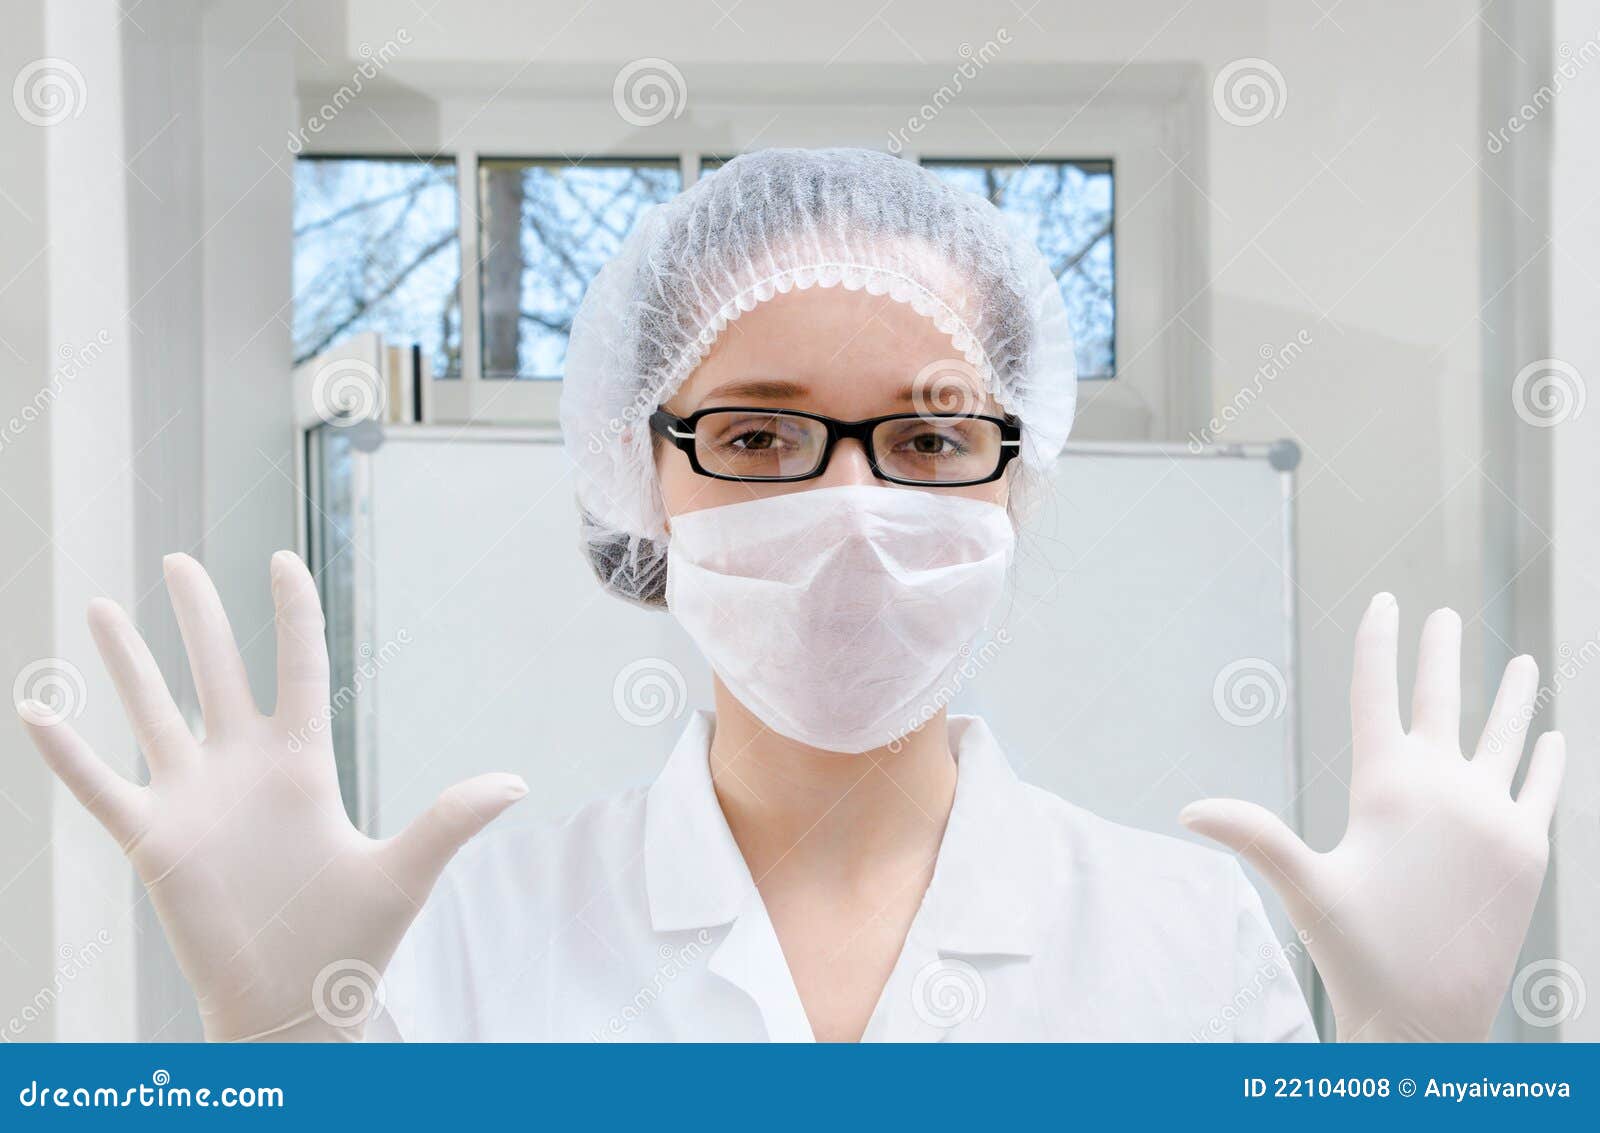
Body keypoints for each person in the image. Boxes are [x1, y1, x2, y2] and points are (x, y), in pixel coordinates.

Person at [18, 149, 1564, 1043]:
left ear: (1016, 482)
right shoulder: (477, 931)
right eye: (756, 433)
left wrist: (1424, 1070)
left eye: (932, 434)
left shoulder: (1181, 935)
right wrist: (286, 1056)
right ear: (643, 477)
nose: (849, 504)